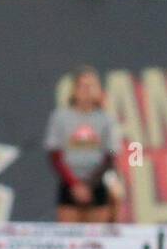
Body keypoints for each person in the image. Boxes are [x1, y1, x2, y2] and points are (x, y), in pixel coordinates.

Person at [44, 66, 121, 223]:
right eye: (82, 86)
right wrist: (75, 185)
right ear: (74, 90)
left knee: (116, 193)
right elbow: (54, 154)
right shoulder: (60, 117)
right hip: (70, 182)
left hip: (97, 181)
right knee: (69, 237)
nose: (86, 91)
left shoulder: (107, 120)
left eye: (91, 86)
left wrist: (90, 185)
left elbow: (112, 154)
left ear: (99, 90)